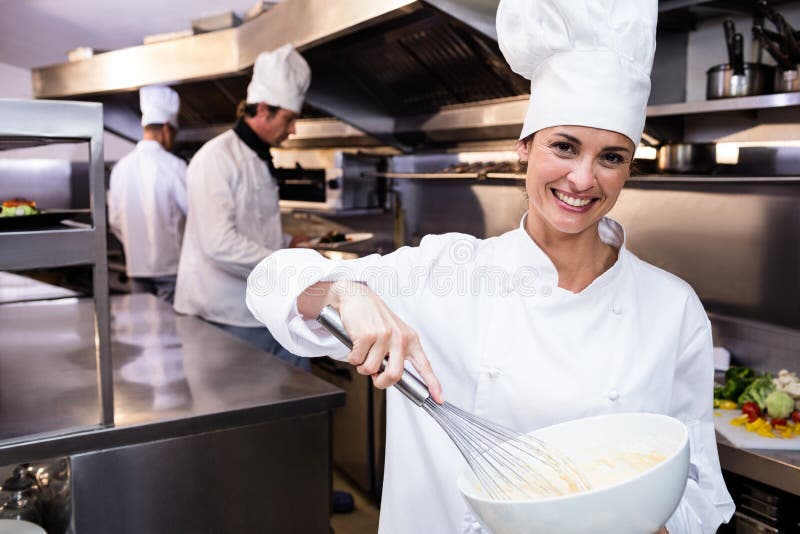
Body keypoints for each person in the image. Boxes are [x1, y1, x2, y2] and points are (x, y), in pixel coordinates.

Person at [246, 0, 736, 532]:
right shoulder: (447, 271)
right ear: (524, 147)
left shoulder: (671, 307)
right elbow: (269, 280)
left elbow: (701, 489)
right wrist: (346, 292)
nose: (582, 179)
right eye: (564, 147)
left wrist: (651, 524)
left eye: (611, 157)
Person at [174, 44, 311, 370]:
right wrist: (286, 264)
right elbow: (219, 243)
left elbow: (254, 225)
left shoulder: (259, 157)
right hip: (223, 312)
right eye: (289, 119)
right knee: (240, 412)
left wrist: (285, 242)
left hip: (261, 309)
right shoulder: (216, 158)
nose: (293, 130)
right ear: (263, 109)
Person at [109, 85, 187, 304]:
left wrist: (137, 244)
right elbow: (195, 214)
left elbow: (115, 221)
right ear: (166, 128)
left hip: (136, 267)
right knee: (173, 330)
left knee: (144, 328)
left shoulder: (120, 168)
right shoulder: (175, 166)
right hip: (172, 268)